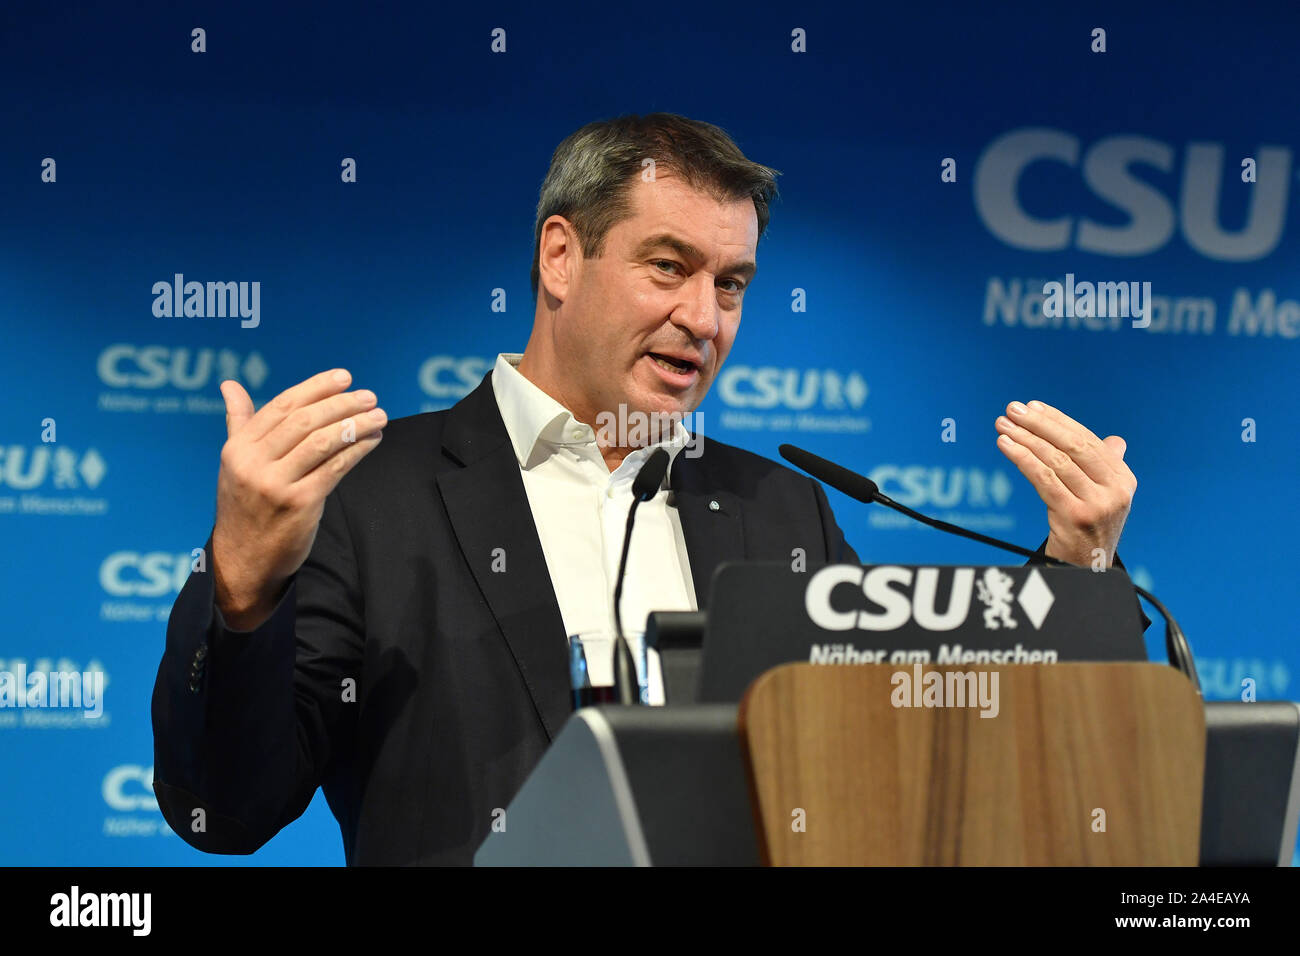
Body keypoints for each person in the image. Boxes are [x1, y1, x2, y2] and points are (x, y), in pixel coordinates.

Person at [152, 112, 1140, 865]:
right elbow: (226, 810)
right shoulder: (375, 497)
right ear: (560, 256)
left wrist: (1074, 570)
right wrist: (242, 581)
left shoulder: (780, 510)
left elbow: (919, 763)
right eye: (669, 267)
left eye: (732, 284)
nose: (704, 319)